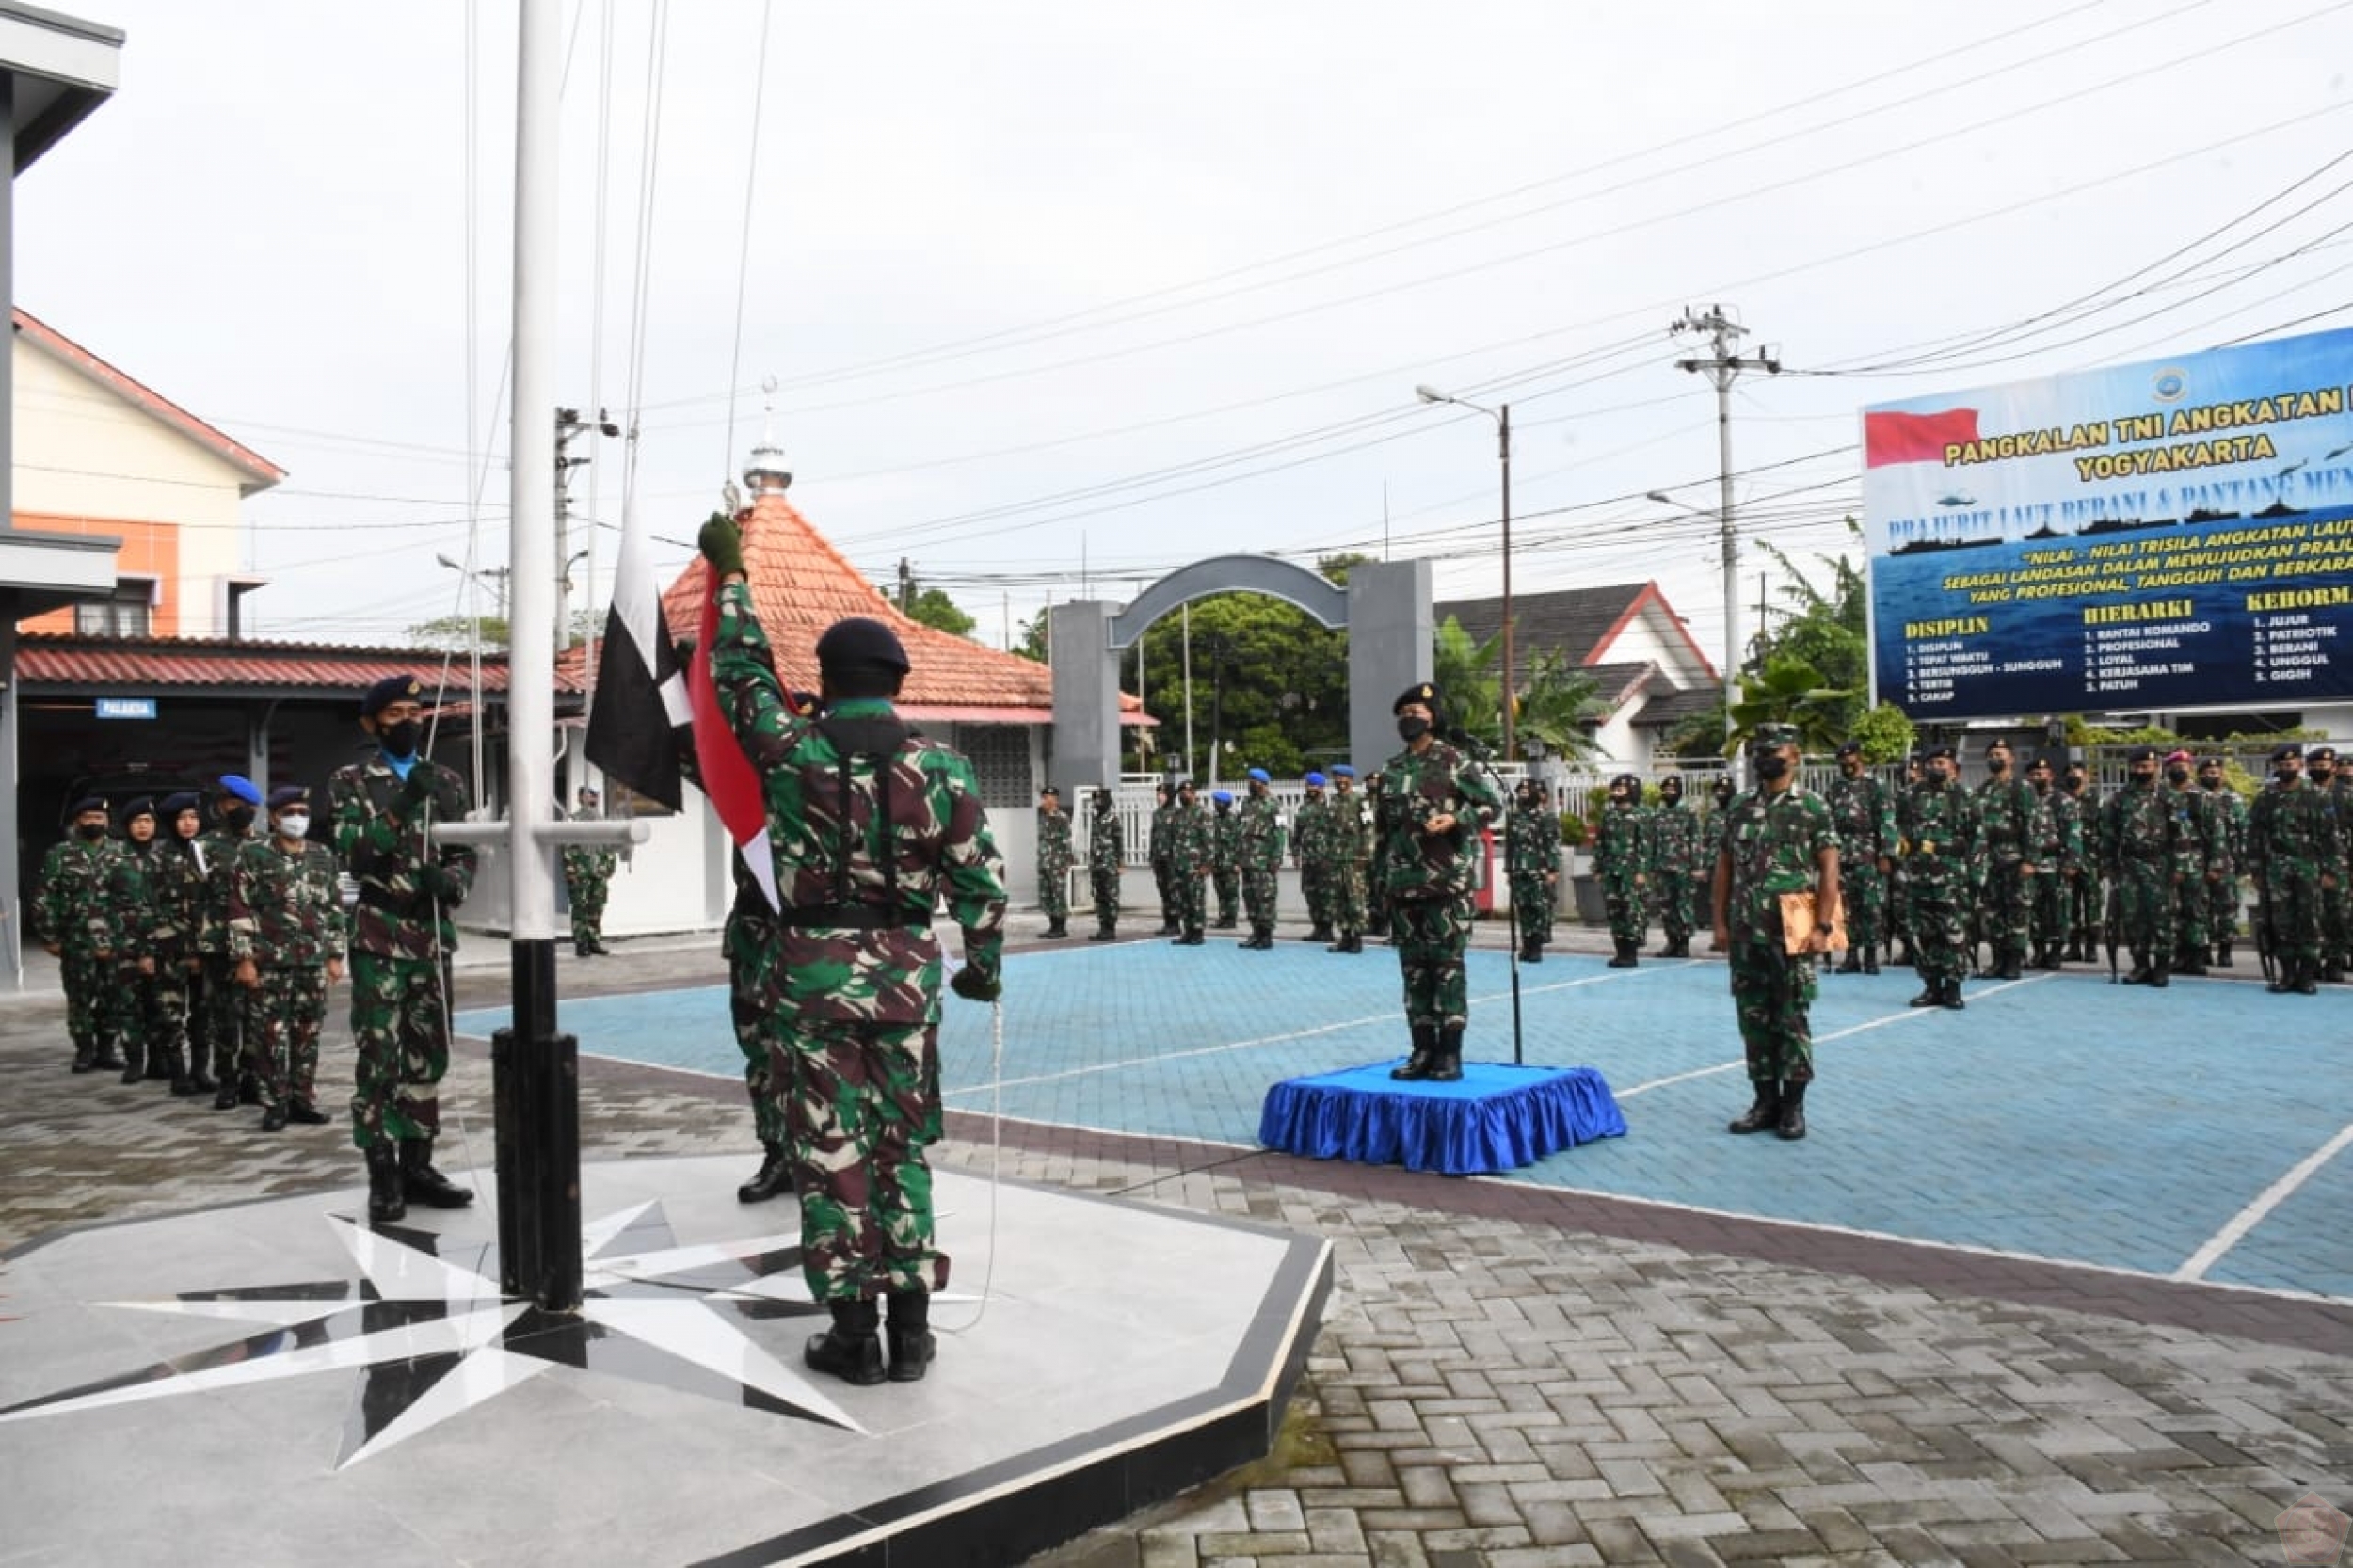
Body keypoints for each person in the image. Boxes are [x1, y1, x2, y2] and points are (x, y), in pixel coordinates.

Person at [699, 514, 1006, 1385]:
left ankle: (851, 1337)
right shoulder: (942, 769)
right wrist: (982, 966)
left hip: (811, 980)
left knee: (832, 1154)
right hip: (908, 977)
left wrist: (733, 577)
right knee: (900, 1148)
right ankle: (911, 1331)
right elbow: (980, 884)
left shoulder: (789, 750)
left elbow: (740, 673)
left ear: (826, 683)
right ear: (898, 681)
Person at [329, 674, 479, 1224]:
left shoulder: (447, 780)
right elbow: (356, 854)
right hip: (380, 935)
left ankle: (418, 1165)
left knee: (428, 1052)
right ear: (372, 724)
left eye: (415, 712)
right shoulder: (350, 781)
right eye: (395, 714)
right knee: (379, 1058)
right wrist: (403, 803)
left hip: (431, 936)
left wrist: (456, 881)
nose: (409, 721)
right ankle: (382, 1171)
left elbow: (465, 848)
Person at [1712, 724, 1840, 1141]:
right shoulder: (1739, 807)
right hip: (1748, 929)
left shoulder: (1812, 807)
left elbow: (1828, 869)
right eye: (1762, 750)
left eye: (1777, 750)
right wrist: (1719, 922)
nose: (1768, 756)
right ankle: (1763, 1102)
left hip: (1795, 929)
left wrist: (1824, 926)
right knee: (1753, 1019)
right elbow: (1725, 867)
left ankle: (1793, 1107)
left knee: (1792, 1018)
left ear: (1796, 756)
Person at [1376, 683, 1502, 1082]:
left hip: (1445, 884)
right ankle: (1421, 1050)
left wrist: (1456, 820)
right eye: (1403, 712)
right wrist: (1381, 882)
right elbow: (1382, 830)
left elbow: (1490, 805)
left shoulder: (1454, 761)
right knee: (1414, 972)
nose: (1409, 718)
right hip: (1403, 885)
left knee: (1447, 968)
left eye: (1416, 711)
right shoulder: (1392, 769)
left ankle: (1450, 1053)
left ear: (1433, 717)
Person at [228, 785, 346, 1131]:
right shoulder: (253, 854)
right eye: (289, 812)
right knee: (269, 1036)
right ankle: (274, 1103)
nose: (298, 818)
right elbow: (239, 907)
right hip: (269, 960)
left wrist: (335, 955)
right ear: (275, 817)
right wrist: (244, 958)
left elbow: (333, 908)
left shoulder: (322, 855)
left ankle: (302, 1099)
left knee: (307, 1033)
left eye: (303, 812)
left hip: (311, 960)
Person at [37, 795, 124, 1075]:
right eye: (88, 818)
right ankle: (85, 1049)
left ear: (107, 821)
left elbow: (133, 898)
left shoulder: (121, 853)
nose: (94, 823)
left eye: (99, 818)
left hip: (114, 941)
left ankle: (107, 1049)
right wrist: (49, 936)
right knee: (79, 998)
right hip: (77, 941)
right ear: (77, 822)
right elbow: (44, 897)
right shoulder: (60, 854)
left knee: (112, 996)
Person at [2248, 742, 2338, 995]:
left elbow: (2330, 837)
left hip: (2309, 866)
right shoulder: (2266, 798)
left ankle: (2307, 975)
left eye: (2290, 764)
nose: (2286, 768)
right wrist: (2255, 870)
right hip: (2276, 867)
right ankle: (2287, 973)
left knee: (2309, 920)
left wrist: (2331, 870)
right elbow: (2254, 835)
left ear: (2300, 765)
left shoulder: (2317, 796)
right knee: (2281, 922)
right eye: (2281, 765)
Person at [197, 776, 264, 1108]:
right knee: (223, 1017)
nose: (241, 812)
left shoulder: (266, 846)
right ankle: (227, 1079)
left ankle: (251, 1077)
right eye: (234, 806)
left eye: (247, 807)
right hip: (219, 945)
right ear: (222, 806)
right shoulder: (204, 847)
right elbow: (192, 899)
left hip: (258, 945)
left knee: (256, 1016)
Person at [1897, 744, 1980, 1008]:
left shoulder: (1964, 796)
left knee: (1953, 934)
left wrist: (1977, 876)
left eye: (1941, 762)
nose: (1936, 767)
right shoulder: (1910, 795)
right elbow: (1899, 831)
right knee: (1925, 934)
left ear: (1952, 767)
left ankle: (1953, 987)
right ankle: (1931, 986)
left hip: (1951, 878)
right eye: (1931, 763)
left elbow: (1977, 838)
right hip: (1919, 877)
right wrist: (1902, 858)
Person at [105, 798, 179, 1086]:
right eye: (137, 822)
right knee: (129, 1005)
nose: (143, 827)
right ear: (127, 826)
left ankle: (158, 1059)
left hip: (161, 944)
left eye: (148, 821)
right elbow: (101, 903)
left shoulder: (165, 858)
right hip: (126, 944)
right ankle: (134, 1060)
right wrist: (108, 939)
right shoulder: (114, 859)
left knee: (159, 1004)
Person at [1971, 738, 2049, 981]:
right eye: (1992, 753)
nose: (1997, 757)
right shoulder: (1982, 790)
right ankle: (1997, 960)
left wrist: (2031, 860)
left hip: (2015, 859)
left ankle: (2014, 961)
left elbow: (2033, 826)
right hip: (1990, 860)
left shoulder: (2022, 788)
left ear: (2012, 758)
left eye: (2001, 753)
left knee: (2016, 912)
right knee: (1993, 912)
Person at [2099, 745, 2174, 986]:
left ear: (2156, 767)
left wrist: (2180, 866)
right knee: (2133, 918)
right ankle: (2140, 964)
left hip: (2160, 864)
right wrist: (2108, 865)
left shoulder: (2169, 796)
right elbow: (2108, 835)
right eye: (2137, 767)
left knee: (2160, 917)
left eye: (2146, 766)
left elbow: (2181, 833)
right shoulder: (2119, 799)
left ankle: (2162, 966)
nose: (2141, 771)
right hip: (2129, 865)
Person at [156, 792, 213, 1096]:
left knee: (203, 1012)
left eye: (193, 817)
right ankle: (178, 1074)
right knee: (171, 1011)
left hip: (204, 949)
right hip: (170, 949)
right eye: (182, 818)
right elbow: (148, 909)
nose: (189, 823)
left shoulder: (203, 852)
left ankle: (201, 1071)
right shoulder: (159, 857)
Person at [1825, 742, 1896, 975]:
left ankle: (1871, 956)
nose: (1846, 763)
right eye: (1842, 760)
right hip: (1842, 855)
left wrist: (1885, 855)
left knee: (1871, 907)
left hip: (1868, 853)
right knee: (1847, 908)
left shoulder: (1876, 786)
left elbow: (1886, 821)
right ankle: (1851, 956)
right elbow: (1828, 823)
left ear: (1859, 758)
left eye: (1850, 758)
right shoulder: (1835, 788)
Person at [2161, 749, 2227, 978]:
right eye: (2174, 767)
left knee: (2196, 909)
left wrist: (2216, 865)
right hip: (2167, 861)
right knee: (2171, 909)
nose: (2179, 770)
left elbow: (2217, 832)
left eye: (2184, 766)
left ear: (2191, 769)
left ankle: (2198, 956)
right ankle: (2178, 955)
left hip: (2197, 860)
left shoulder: (2203, 796)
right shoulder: (2161, 795)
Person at [2024, 755, 2080, 970]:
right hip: (2031, 862)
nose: (2037, 777)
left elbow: (2073, 833)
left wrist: (2071, 862)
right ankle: (2038, 951)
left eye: (2041, 773)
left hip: (2054, 862)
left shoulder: (2062, 800)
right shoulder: (2025, 799)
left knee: (2058, 908)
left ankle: (2056, 951)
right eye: (2033, 774)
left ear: (2051, 775)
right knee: (2033, 908)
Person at [1594, 773, 1652, 968]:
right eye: (1615, 789)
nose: (1616, 793)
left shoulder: (1641, 816)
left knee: (1630, 911)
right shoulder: (1609, 816)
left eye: (1621, 790)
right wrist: (1599, 867)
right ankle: (1620, 951)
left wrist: (1641, 871)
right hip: (1612, 870)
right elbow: (1601, 843)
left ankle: (1631, 952)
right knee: (1614, 910)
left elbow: (1645, 845)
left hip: (1630, 870)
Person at [2198, 755, 2249, 968]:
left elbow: (2243, 830)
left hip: (2227, 861)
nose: (2213, 776)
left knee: (2227, 907)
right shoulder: (2196, 798)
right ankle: (2204, 949)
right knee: (2202, 907)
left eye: (2217, 773)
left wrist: (2244, 862)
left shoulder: (2233, 800)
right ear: (2201, 775)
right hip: (2199, 860)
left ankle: (2226, 950)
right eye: (2209, 773)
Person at [1503, 777, 1559, 963]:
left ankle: (1536, 947)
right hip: (1519, 869)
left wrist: (1552, 869)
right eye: (1521, 792)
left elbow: (1552, 845)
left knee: (1538, 908)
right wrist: (1508, 869)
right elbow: (1509, 845)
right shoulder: (1514, 817)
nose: (1523, 795)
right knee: (1523, 908)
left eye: (1527, 792)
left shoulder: (1546, 818)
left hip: (1538, 869)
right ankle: (1526, 946)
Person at [1648, 774, 1703, 958]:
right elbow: (1654, 841)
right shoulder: (1659, 813)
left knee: (1683, 905)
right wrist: (1652, 866)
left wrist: (1696, 866)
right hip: (1663, 866)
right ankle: (1671, 941)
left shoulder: (1688, 811)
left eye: (1672, 789)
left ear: (1679, 791)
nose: (1668, 792)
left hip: (1683, 866)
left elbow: (1695, 839)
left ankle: (1684, 942)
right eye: (1666, 789)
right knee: (1666, 906)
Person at [2310, 745, 2351, 982]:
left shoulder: (2346, 795)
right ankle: (2312, 959)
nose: (2318, 771)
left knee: (2338, 914)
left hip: (2341, 865)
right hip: (2309, 862)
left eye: (2322, 767)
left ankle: (2335, 960)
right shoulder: (2305, 794)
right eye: (2314, 767)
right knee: (2310, 914)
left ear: (2333, 768)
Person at [564, 785, 617, 957]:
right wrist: (571, 870)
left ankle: (594, 941)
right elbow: (567, 847)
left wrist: (610, 867)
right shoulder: (573, 820)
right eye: (587, 795)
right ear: (580, 798)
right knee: (580, 907)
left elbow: (609, 846)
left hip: (598, 871)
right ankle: (581, 943)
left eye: (593, 795)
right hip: (581, 871)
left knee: (597, 907)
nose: (591, 799)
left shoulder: (602, 820)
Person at [2060, 762, 2103, 961]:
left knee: (2093, 904)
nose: (2073, 778)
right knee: (2071, 904)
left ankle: (2092, 947)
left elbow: (2105, 832)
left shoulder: (2097, 802)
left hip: (2091, 859)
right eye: (2069, 774)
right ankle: (2074, 946)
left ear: (2086, 777)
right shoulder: (2062, 801)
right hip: (2068, 859)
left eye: (2076, 774)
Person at [1238, 769, 1284, 949]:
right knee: (1250, 897)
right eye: (1249, 780)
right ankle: (1255, 932)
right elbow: (1241, 831)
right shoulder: (1246, 804)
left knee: (1265, 898)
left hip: (1264, 861)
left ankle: (1266, 935)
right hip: (1248, 860)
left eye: (1253, 781)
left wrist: (1276, 857)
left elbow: (1280, 832)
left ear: (1262, 783)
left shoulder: (1273, 804)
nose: (1250, 783)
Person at [1327, 765, 1371, 954]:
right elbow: (1329, 832)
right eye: (1337, 777)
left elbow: (1369, 828)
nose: (1339, 781)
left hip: (1355, 859)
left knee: (1356, 900)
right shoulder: (1334, 802)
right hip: (1337, 859)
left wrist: (1365, 854)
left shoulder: (1361, 801)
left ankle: (1357, 938)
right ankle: (1345, 936)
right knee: (1339, 900)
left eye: (1343, 777)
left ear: (1350, 780)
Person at [1293, 772, 1337, 943]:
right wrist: (1296, 853)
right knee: (1311, 895)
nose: (1311, 789)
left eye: (1315, 786)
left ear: (1322, 788)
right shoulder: (1303, 808)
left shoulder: (1330, 807)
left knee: (1325, 895)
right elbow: (1297, 833)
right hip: (1308, 859)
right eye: (1309, 785)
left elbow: (1336, 834)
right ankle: (1317, 928)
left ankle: (1327, 929)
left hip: (1325, 859)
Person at [1168, 778, 1211, 945]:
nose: (1183, 795)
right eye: (1181, 793)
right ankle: (1187, 931)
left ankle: (1198, 932)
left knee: (1196, 899)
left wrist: (1207, 864)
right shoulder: (1178, 814)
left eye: (1186, 792)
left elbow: (1209, 840)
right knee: (1182, 900)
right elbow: (1174, 839)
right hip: (1180, 863)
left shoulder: (1203, 813)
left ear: (1194, 793)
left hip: (1195, 865)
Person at [1034, 785, 1073, 939]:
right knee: (1046, 895)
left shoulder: (1061, 818)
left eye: (1048, 797)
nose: (1045, 800)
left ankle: (1061, 927)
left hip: (1057, 864)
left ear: (1055, 799)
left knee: (1058, 895)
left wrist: (1066, 863)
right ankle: (1052, 925)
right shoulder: (1042, 817)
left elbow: (1067, 842)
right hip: (1044, 862)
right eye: (1043, 797)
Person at [1087, 787, 1126, 941]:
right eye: (1095, 800)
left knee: (1111, 897)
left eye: (1100, 799)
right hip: (1097, 865)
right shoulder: (1095, 819)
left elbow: (1119, 842)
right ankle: (1103, 927)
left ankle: (1110, 928)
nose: (1097, 803)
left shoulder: (1113, 819)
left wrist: (1121, 863)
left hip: (1109, 865)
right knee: (1100, 897)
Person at [1147, 781, 1180, 936]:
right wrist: (1151, 856)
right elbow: (1153, 836)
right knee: (1164, 892)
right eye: (1158, 794)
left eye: (1162, 794)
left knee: (1173, 892)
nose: (1159, 797)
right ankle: (1167, 922)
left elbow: (1179, 838)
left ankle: (1175, 923)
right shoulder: (1157, 814)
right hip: (1159, 859)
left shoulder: (1177, 814)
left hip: (1172, 860)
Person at [1207, 789, 1241, 931]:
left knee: (1231, 893)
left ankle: (1231, 920)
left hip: (1231, 863)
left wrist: (1238, 862)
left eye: (1218, 802)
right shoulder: (1214, 820)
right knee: (1220, 892)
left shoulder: (1234, 820)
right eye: (1215, 802)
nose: (1215, 805)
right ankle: (1222, 918)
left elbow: (1240, 842)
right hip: (1218, 863)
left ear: (1225, 804)